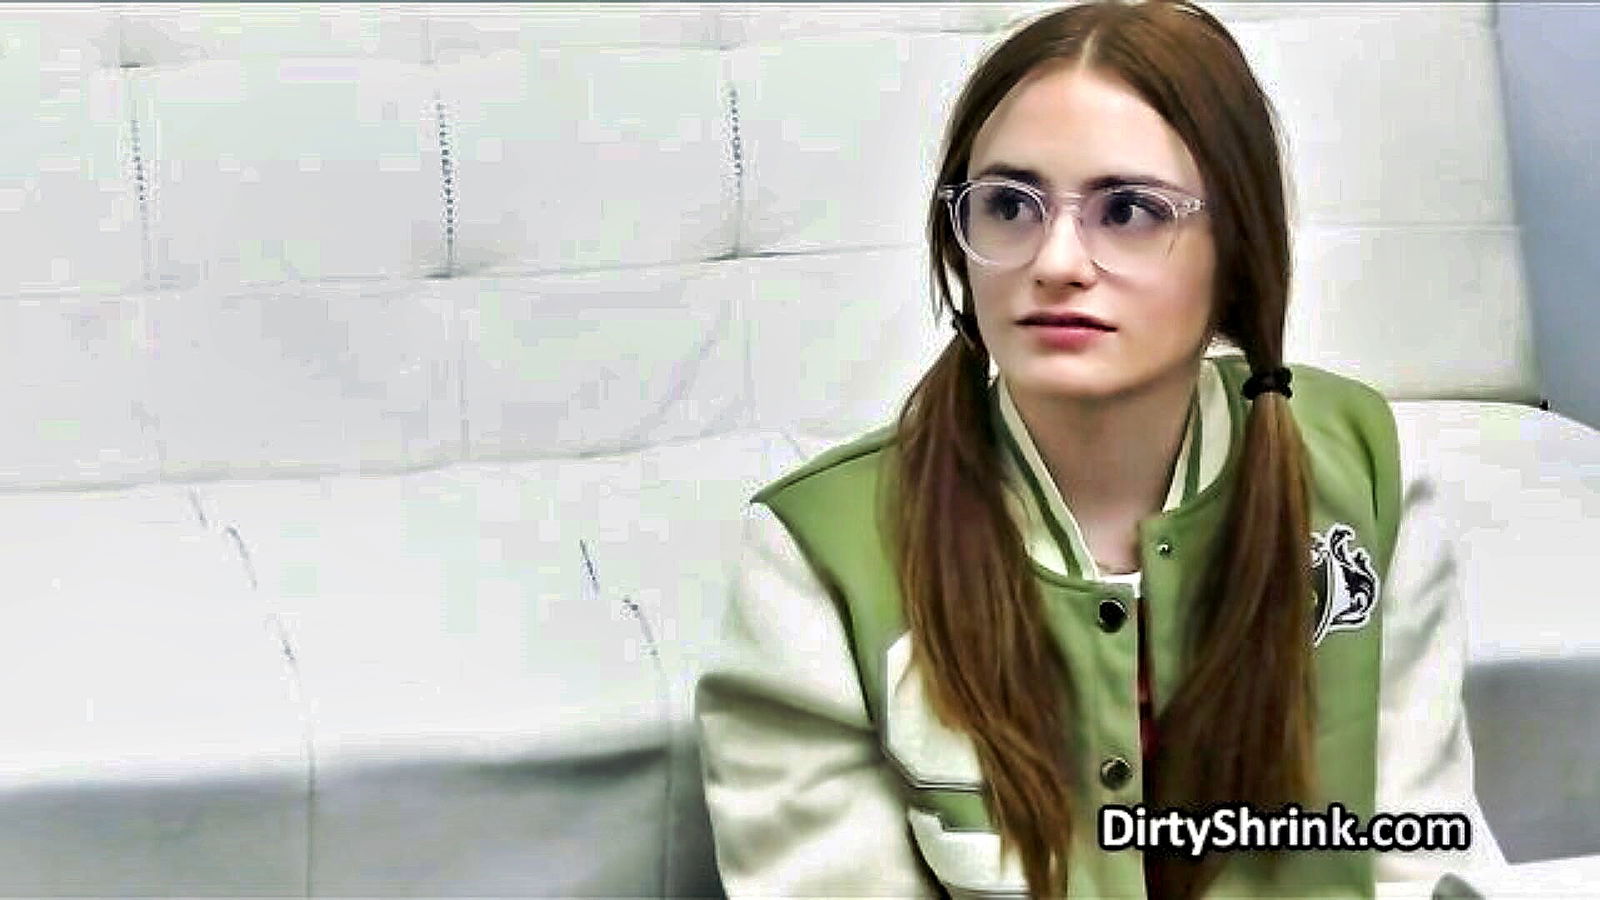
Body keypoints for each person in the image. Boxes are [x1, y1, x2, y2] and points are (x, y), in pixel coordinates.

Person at [694, 1, 1505, 897]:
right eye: (1009, 205)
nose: (1056, 260)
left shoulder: (1364, 474)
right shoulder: (820, 557)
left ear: (1235, 250)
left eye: (1127, 209)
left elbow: (1420, 862)